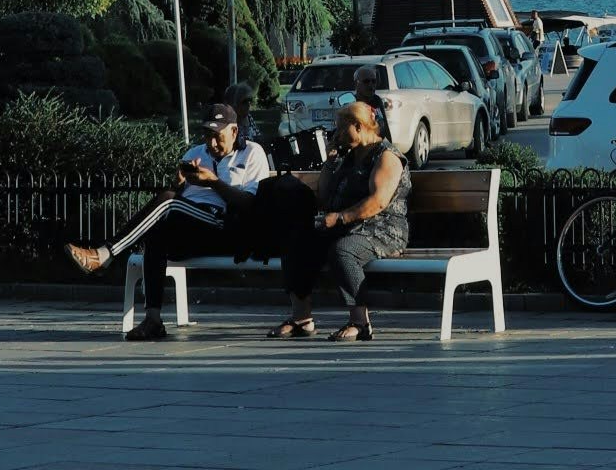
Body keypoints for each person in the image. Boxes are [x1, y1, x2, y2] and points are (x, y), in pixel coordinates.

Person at [69, 100, 272, 337]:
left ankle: (105, 254)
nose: (212, 142)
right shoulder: (195, 153)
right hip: (190, 227)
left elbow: (249, 204)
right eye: (207, 135)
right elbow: (175, 198)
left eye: (218, 136)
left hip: (225, 226)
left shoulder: (252, 153)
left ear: (234, 131)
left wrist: (213, 183)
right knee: (158, 234)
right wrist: (179, 185)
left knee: (168, 200)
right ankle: (153, 320)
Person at [271, 100, 409, 343]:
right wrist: (330, 163)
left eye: (340, 128)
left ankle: (360, 322)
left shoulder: (386, 156)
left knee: (343, 250)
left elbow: (378, 201)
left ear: (358, 126)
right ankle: (301, 318)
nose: (336, 134)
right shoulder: (348, 157)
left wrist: (341, 217)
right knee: (296, 240)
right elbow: (324, 197)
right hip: (347, 226)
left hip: (384, 230)